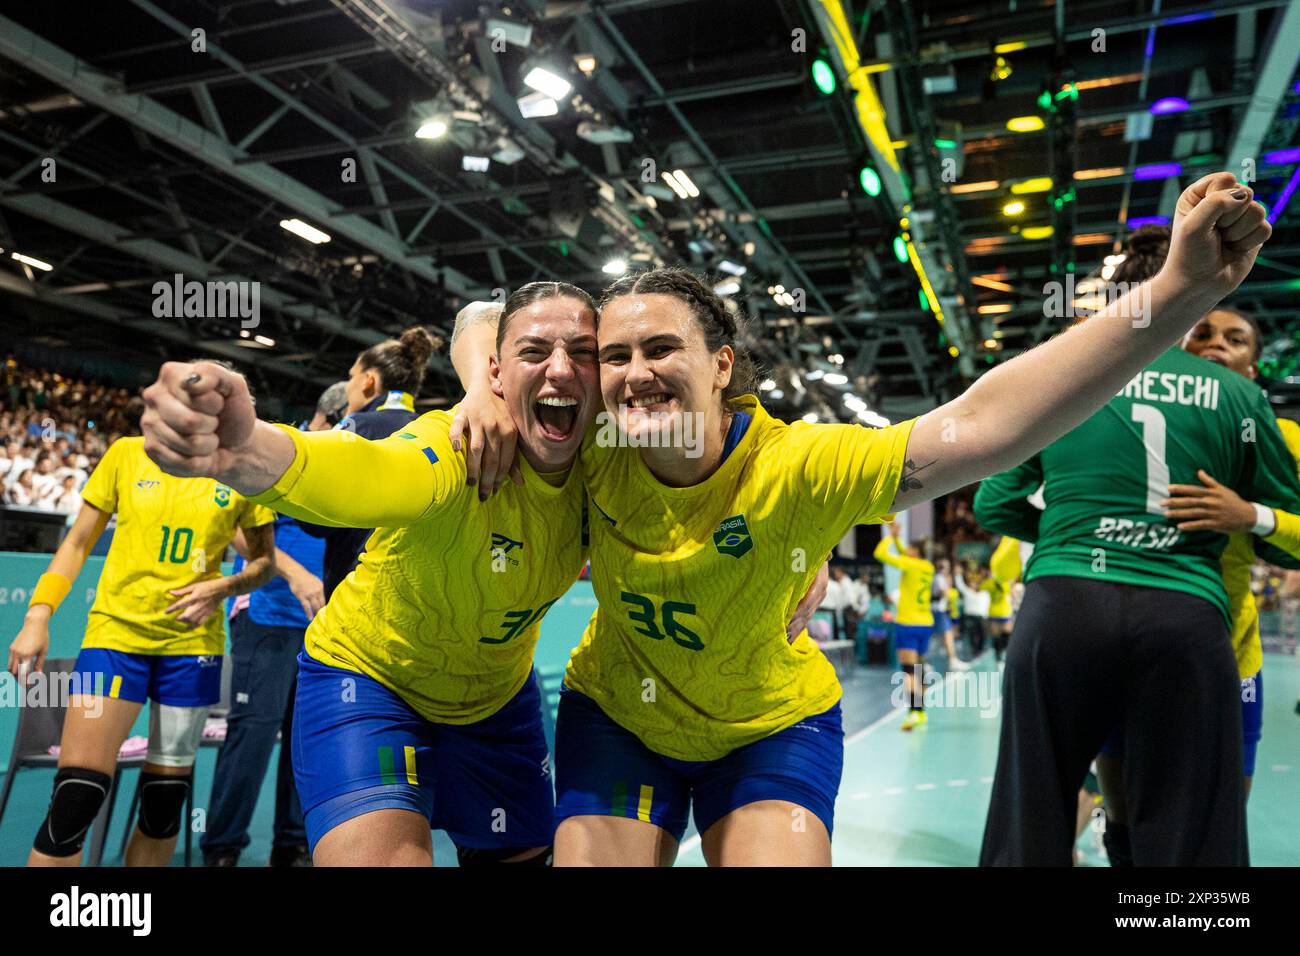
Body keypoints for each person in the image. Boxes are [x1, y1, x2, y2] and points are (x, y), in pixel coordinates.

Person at [446, 173, 1272, 866]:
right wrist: (482, 390)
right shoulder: (590, 440)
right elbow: (485, 318)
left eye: (661, 349)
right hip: (621, 717)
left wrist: (1173, 294)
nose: (633, 374)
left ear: (721, 364)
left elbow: (986, 425)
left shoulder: (804, 465)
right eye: (615, 356)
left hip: (766, 726)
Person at [140, 283, 600, 867]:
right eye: (533, 352)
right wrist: (243, 450)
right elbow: (367, 470)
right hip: (368, 681)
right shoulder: (456, 442)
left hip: (496, 702)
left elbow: (481, 315)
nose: (559, 369)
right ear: (497, 371)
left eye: (581, 351)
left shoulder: (608, 472)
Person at [973, 216, 1300, 866]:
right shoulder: (1238, 396)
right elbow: (1288, 539)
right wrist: (1247, 522)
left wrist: (1073, 535)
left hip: (1063, 608)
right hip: (1185, 619)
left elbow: (993, 500)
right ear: (1186, 296)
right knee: (1191, 835)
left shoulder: (1065, 375)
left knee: (1033, 810)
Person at [7, 411, 276, 866]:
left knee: (163, 803)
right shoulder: (126, 454)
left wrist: (225, 586)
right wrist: (38, 613)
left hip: (192, 650)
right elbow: (76, 543)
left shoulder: (239, 474)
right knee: (76, 797)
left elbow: (264, 562)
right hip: (115, 638)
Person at [200, 400, 334, 868]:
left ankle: (292, 844)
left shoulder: (340, 464)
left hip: (321, 630)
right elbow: (239, 531)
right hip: (266, 617)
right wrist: (294, 574)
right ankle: (221, 848)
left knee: (306, 739)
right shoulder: (276, 451)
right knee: (253, 735)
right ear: (323, 417)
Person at [300, 328, 437, 600]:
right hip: (413, 594)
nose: (347, 386)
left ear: (368, 381)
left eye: (351, 377)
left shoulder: (355, 427)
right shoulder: (432, 431)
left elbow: (317, 521)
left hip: (355, 592)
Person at [874, 523, 935, 730]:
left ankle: (913, 713)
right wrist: (899, 540)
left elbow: (880, 553)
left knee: (908, 670)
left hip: (907, 623)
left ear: (915, 553)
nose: (905, 551)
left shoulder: (909, 564)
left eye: (909, 549)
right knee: (919, 667)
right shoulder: (927, 567)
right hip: (925, 623)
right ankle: (922, 712)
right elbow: (903, 553)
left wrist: (890, 536)